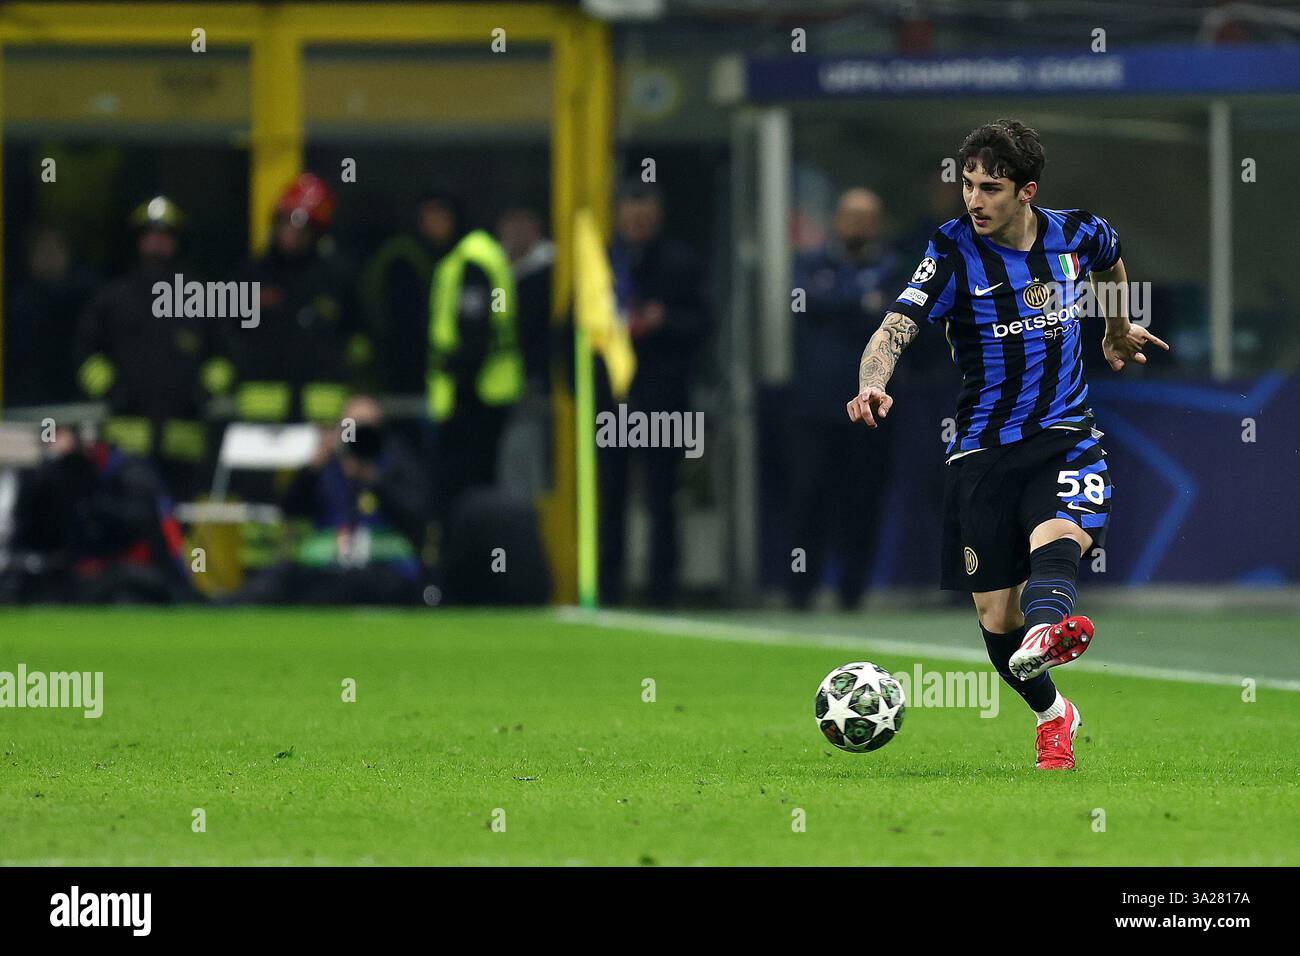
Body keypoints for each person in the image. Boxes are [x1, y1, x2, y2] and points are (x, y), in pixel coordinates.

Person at [845, 119, 1170, 770]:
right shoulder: (951, 251)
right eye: (967, 184)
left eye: (989, 187)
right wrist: (871, 383)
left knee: (1057, 540)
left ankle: (1050, 631)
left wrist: (1116, 327)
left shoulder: (1075, 229)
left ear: (1026, 192)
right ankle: (1055, 713)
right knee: (997, 617)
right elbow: (896, 328)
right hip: (983, 450)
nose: (973, 199)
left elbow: (1110, 257)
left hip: (1065, 433)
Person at [787, 188, 902, 610]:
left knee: (863, 500)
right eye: (850, 215)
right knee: (809, 496)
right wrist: (859, 304)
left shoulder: (891, 268)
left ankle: (853, 591)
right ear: (837, 219)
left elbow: (892, 319)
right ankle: (800, 591)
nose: (857, 224)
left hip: (872, 409)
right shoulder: (810, 262)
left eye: (866, 217)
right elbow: (804, 305)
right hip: (816, 407)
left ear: (877, 223)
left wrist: (839, 307)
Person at [74, 197, 231, 500]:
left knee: (182, 534)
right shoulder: (113, 298)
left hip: (184, 444)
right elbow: (85, 353)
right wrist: (112, 389)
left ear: (177, 242)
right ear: (138, 241)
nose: (157, 243)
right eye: (150, 235)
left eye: (165, 236)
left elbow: (226, 356)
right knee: (130, 531)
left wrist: (202, 390)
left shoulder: (201, 297)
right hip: (127, 442)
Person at [599, 182, 709, 607]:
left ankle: (663, 591)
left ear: (658, 215)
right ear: (619, 215)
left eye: (645, 213)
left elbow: (703, 324)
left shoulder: (681, 262)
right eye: (630, 212)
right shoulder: (603, 264)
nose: (637, 221)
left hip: (665, 398)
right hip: (613, 401)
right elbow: (573, 330)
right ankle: (608, 589)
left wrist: (663, 320)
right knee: (611, 497)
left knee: (663, 496)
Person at [233, 395, 428, 605]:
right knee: (280, 578)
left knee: (370, 585)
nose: (357, 436)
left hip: (380, 564)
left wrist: (374, 481)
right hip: (326, 565)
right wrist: (313, 468)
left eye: (365, 428)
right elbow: (289, 510)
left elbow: (416, 516)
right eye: (351, 427)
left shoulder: (396, 463)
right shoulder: (327, 464)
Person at [229, 173, 368, 427]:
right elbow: (229, 330)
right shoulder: (253, 274)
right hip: (261, 415)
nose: (291, 232)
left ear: (317, 231)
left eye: (300, 225)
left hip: (322, 418)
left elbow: (358, 335)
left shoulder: (337, 278)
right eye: (286, 222)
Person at [424, 190, 523, 520]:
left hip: (474, 400)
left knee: (464, 496)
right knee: (478, 492)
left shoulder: (471, 261)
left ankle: (472, 565)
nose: (429, 226)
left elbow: (475, 330)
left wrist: (459, 388)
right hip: (483, 396)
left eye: (435, 217)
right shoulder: (483, 255)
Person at [6, 226, 98, 408]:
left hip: (75, 407)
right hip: (23, 409)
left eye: (55, 249)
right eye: (41, 250)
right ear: (29, 257)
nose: (48, 257)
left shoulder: (85, 301)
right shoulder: (17, 305)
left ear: (68, 254)